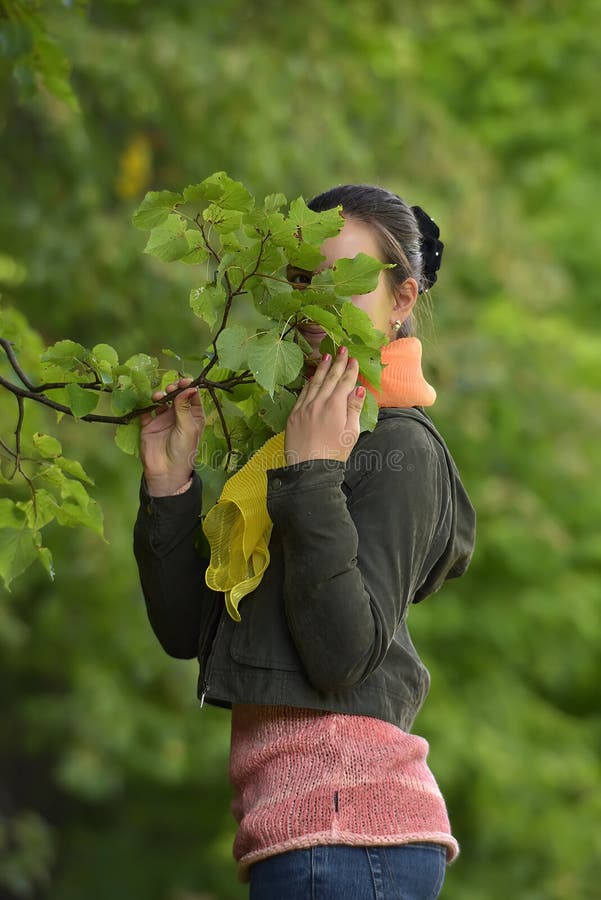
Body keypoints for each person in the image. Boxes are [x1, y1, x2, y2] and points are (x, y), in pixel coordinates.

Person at [134, 185, 477, 900]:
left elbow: (341, 657)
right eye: (298, 281)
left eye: (344, 282)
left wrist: (314, 472)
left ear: (401, 298)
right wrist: (170, 489)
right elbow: (188, 632)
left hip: (351, 838)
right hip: (300, 834)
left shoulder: (398, 447)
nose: (313, 305)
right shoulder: (287, 449)